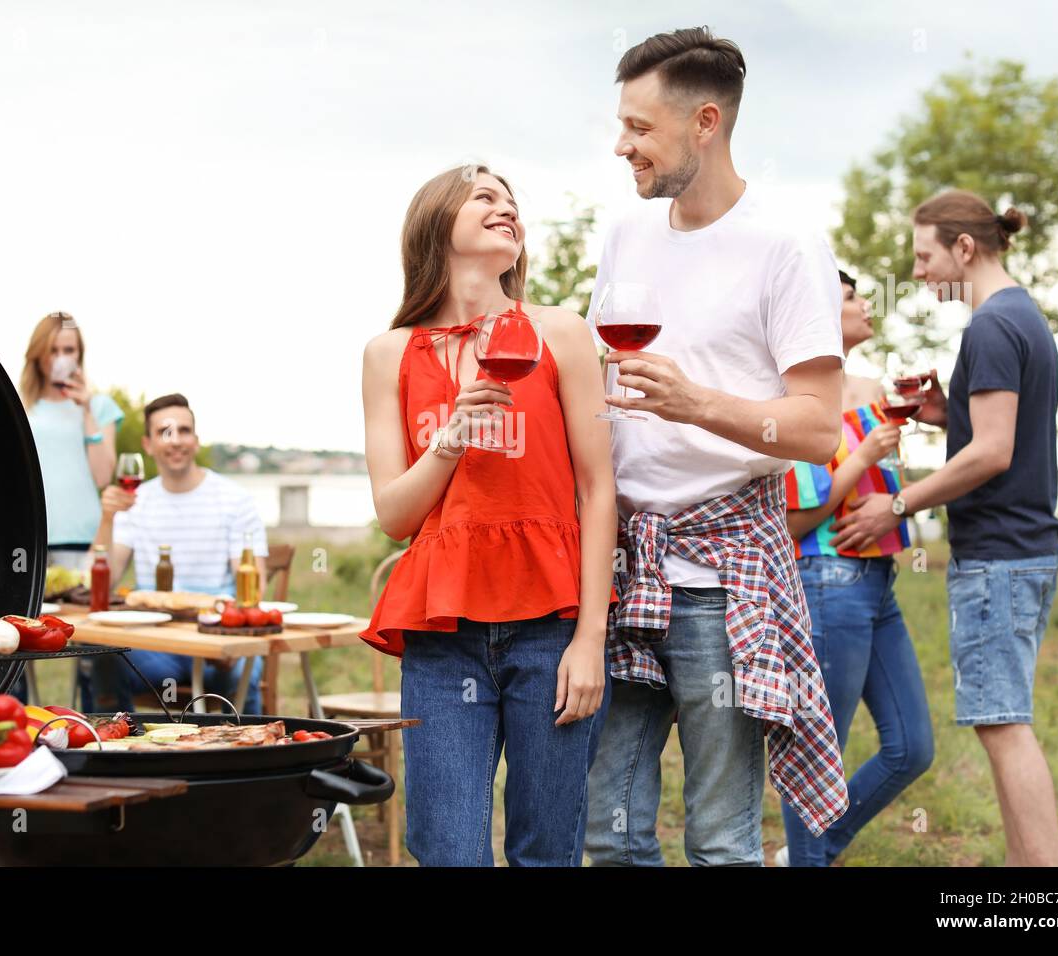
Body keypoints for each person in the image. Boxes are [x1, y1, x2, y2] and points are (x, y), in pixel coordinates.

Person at [580, 26, 849, 867]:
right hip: (627, 570)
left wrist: (696, 403)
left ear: (705, 122)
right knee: (607, 832)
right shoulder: (627, 236)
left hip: (722, 578)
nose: (622, 146)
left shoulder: (786, 244)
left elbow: (814, 425)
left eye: (639, 127)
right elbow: (595, 386)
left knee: (723, 842)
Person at [359, 165, 617, 866]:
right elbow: (394, 514)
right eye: (485, 197)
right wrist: (448, 441)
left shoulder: (562, 333)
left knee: (546, 848)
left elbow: (598, 491)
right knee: (447, 848)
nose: (506, 208)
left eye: (512, 202)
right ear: (437, 221)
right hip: (443, 635)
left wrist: (590, 638)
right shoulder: (389, 355)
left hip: (551, 628)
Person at [832, 190, 1058, 866]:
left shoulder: (990, 327)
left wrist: (898, 506)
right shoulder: (1022, 315)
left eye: (926, 256)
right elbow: (999, 434)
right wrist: (945, 412)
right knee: (1005, 722)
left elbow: (992, 453)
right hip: (1026, 552)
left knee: (1004, 728)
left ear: (965, 248)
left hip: (998, 557)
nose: (921, 271)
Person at [774, 269, 934, 867]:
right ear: (818, 314)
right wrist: (865, 454)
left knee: (912, 747)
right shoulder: (794, 399)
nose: (866, 304)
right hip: (825, 583)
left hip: (879, 581)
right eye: (849, 297)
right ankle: (808, 858)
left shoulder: (870, 387)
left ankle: (810, 852)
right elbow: (792, 521)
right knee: (819, 753)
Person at [93, 393, 270, 714]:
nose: (176, 441)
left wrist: (233, 636)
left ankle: (250, 755)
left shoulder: (234, 499)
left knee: (245, 668)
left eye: (184, 431)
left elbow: (254, 587)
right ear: (147, 444)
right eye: (165, 432)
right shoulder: (136, 501)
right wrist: (107, 518)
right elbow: (102, 580)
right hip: (158, 647)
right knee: (99, 658)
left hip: (219, 640)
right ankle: (121, 752)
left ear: (197, 440)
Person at [21, 311, 123, 707]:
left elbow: (104, 476)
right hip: (31, 540)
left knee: (92, 644)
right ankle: (24, 723)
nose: (63, 358)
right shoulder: (22, 403)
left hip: (84, 540)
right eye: (55, 350)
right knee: (17, 640)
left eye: (71, 350)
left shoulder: (100, 405)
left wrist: (86, 413)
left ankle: (100, 724)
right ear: (39, 355)